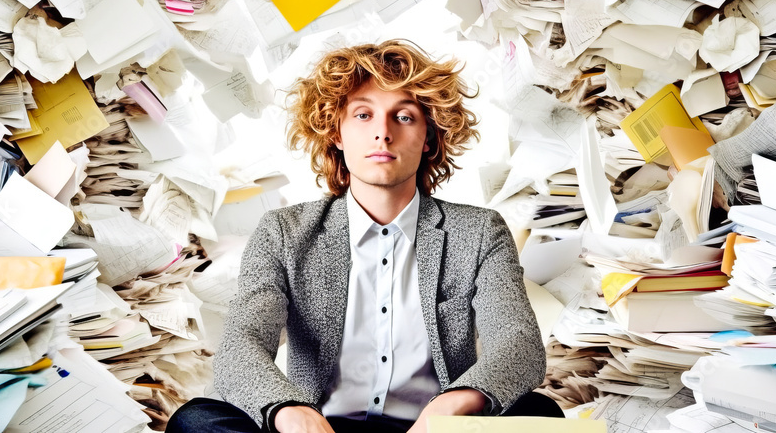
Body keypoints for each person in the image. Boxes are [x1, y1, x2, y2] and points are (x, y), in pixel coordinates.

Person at [167, 40, 561, 433]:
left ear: (428, 138)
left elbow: (518, 345)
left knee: (538, 412)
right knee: (197, 421)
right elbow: (241, 345)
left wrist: (454, 403)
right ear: (336, 134)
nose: (382, 134)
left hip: (432, 429)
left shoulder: (478, 232)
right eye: (362, 115)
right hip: (322, 428)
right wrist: (288, 411)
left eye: (403, 117)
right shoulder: (283, 232)